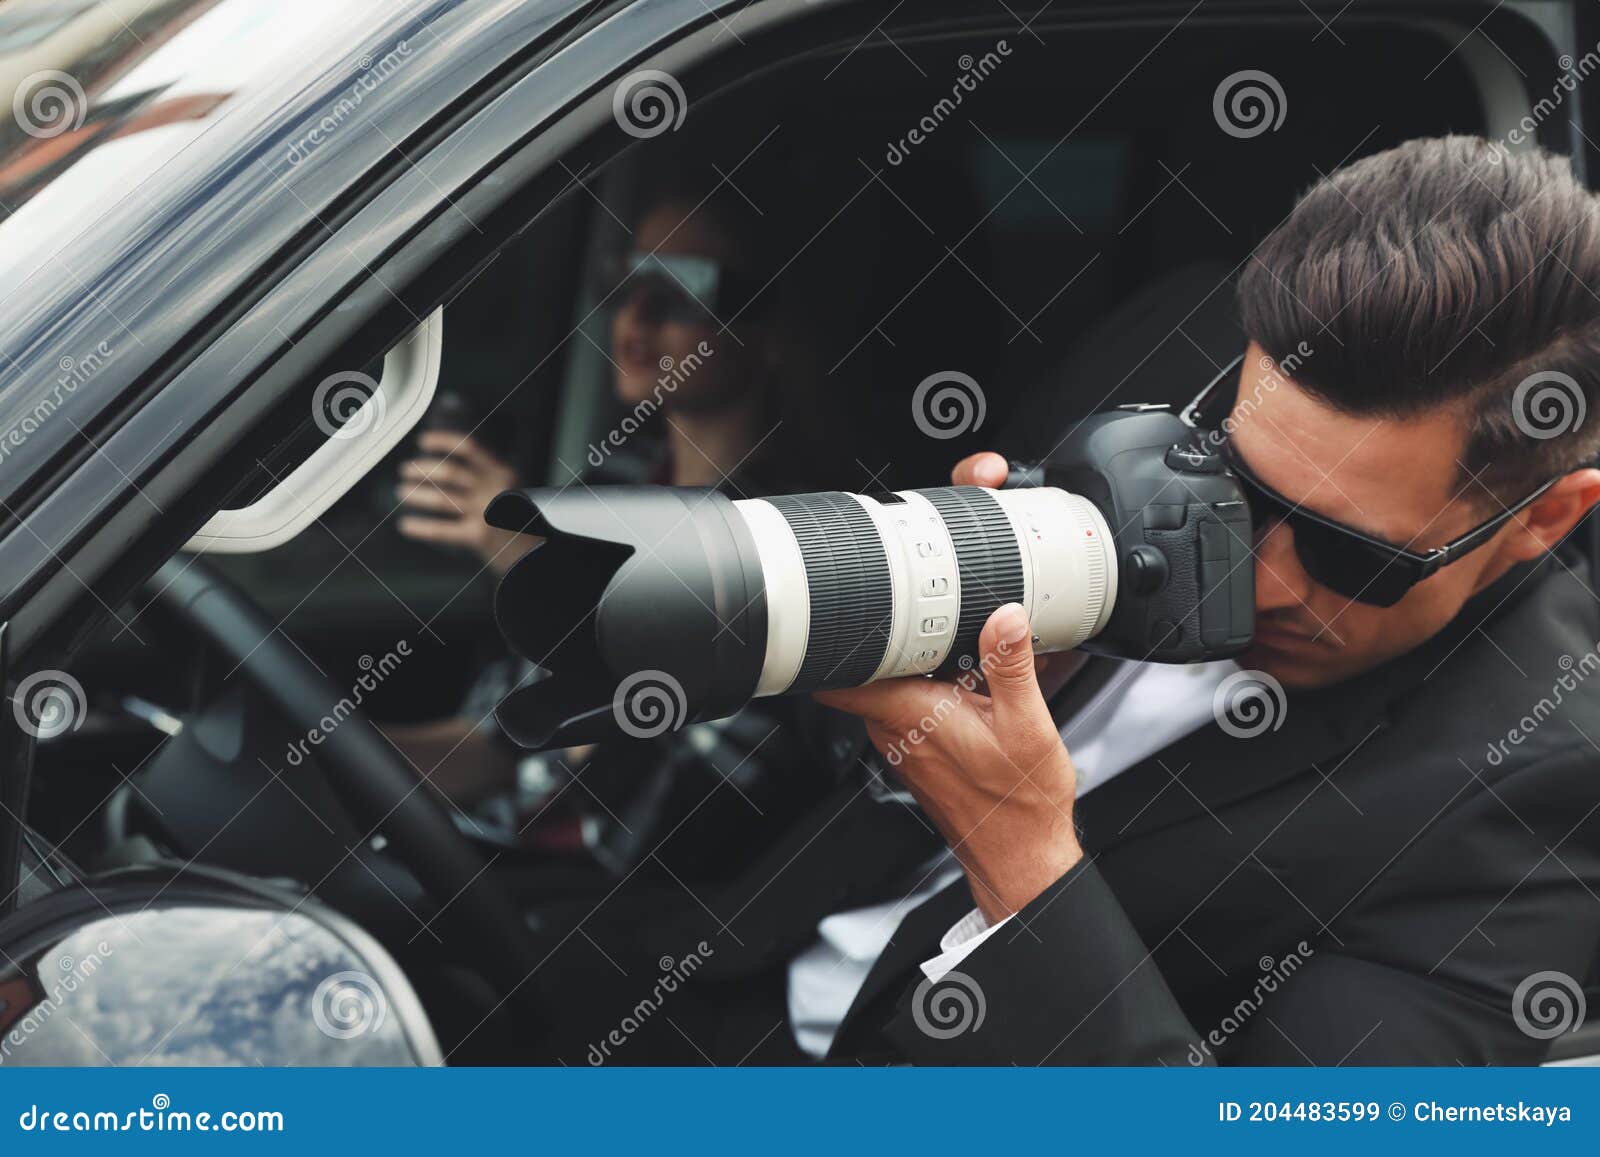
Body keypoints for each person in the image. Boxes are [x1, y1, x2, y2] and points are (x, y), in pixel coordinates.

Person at [517, 136, 1600, 1066]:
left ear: (1543, 518)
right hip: (709, 967)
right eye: (1233, 487)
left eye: (1348, 554)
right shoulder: (1172, 354)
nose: (1257, 573)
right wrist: (935, 638)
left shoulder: (1541, 795)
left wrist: (1021, 852)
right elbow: (825, 750)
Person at [384, 163, 841, 879]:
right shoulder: (610, 490)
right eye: (625, 284)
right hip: (493, 865)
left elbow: (666, 823)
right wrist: (338, 759)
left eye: (683, 288)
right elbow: (501, 744)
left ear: (771, 329)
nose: (636, 319)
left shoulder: (805, 544)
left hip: (611, 919)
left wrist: (547, 575)